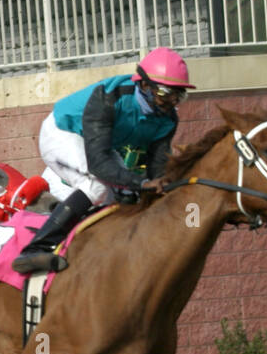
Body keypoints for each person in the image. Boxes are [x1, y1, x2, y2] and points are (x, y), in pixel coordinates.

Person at [11, 47, 195, 274]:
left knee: (126, 196)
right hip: (63, 132)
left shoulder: (167, 120)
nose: (171, 103)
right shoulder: (108, 97)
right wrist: (140, 182)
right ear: (145, 86)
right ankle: (34, 249)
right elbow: (98, 164)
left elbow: (156, 169)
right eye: (166, 94)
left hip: (101, 143)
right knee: (96, 186)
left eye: (178, 95)